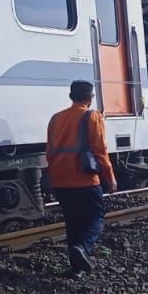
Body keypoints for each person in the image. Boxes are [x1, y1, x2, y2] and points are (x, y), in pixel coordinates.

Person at [47, 80, 116, 276]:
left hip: (61, 180)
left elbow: (49, 152)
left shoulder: (55, 118)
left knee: (73, 224)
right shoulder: (92, 116)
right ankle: (83, 248)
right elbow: (100, 150)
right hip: (85, 180)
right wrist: (110, 178)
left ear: (71, 96)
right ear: (90, 98)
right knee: (96, 218)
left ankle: (77, 269)